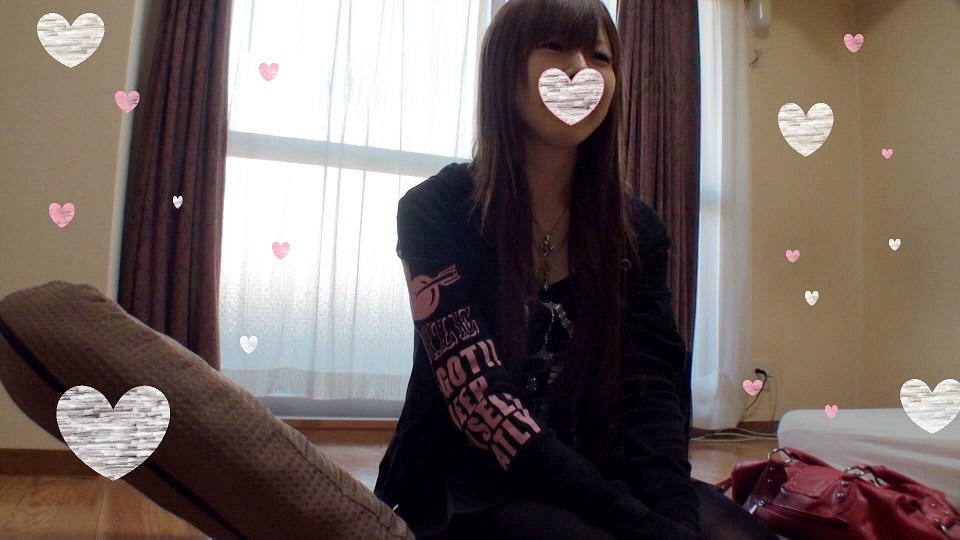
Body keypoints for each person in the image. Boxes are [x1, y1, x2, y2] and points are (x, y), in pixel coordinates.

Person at [374, 0, 779, 539]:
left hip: (600, 473)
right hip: (463, 481)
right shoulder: (434, 211)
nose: (581, 69)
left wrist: (673, 520)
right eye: (556, 47)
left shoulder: (639, 231)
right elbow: (483, 402)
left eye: (600, 56)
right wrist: (636, 523)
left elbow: (651, 400)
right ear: (505, 69)